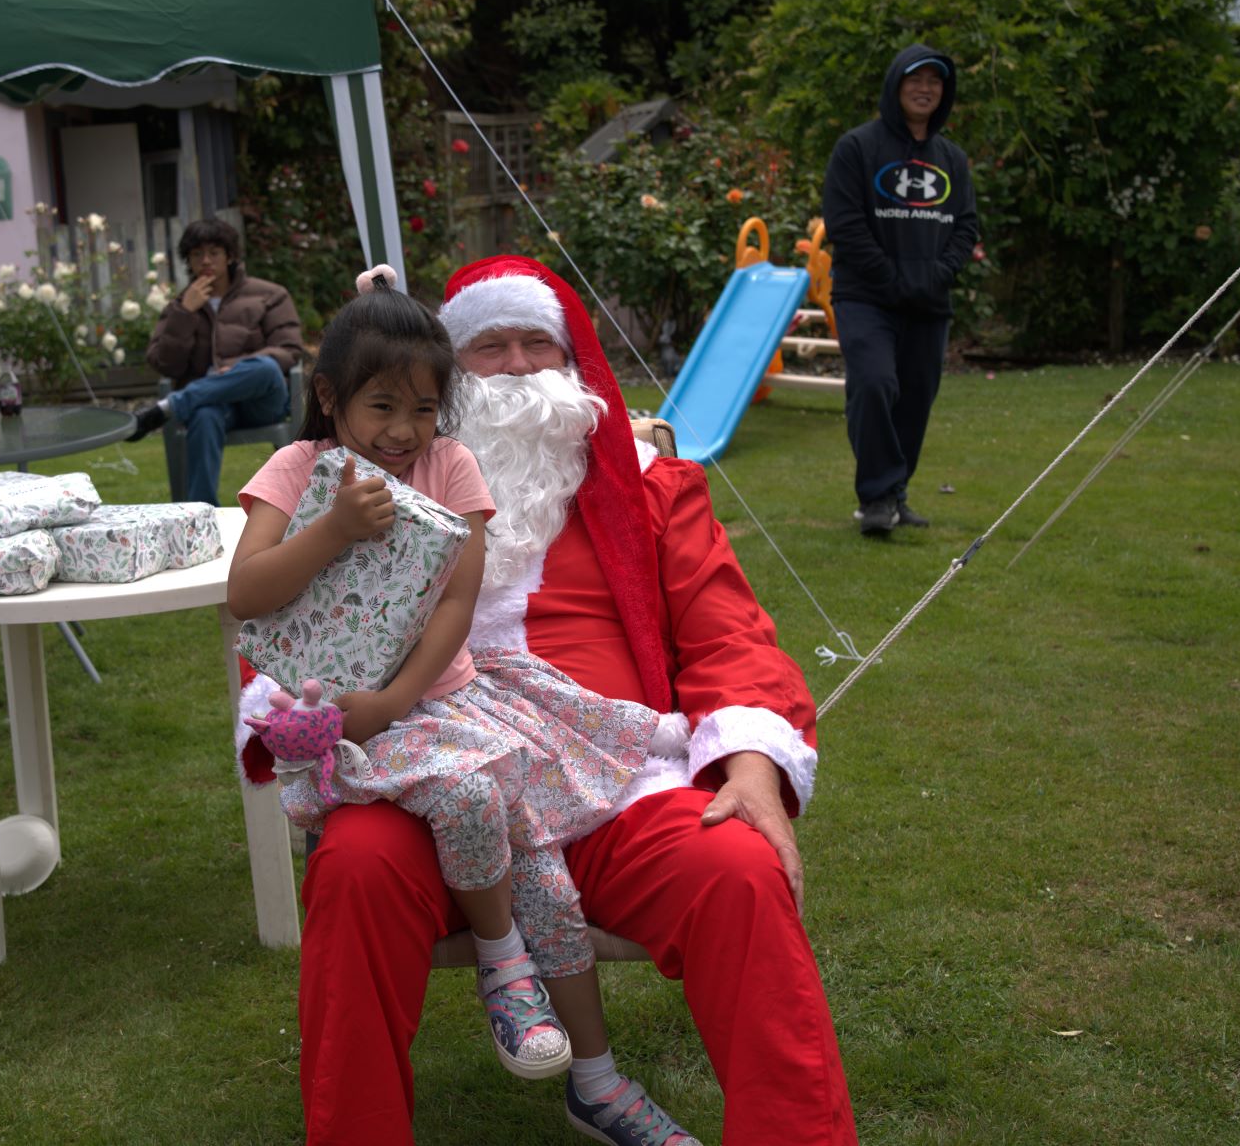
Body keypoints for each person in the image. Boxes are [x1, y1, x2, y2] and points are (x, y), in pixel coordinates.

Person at [268, 255, 856, 1145]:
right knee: (355, 870)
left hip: (615, 778)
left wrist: (751, 764)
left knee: (738, 870)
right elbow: (288, 623)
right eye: (489, 346)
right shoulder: (363, 488)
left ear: (573, 361)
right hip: (432, 775)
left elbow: (729, 634)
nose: (515, 365)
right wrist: (310, 713)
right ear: (448, 377)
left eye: (536, 343)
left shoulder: (652, 488)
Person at [229, 279, 702, 1141]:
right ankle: (502, 962)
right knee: (471, 795)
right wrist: (332, 528)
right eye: (381, 406)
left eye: (424, 407)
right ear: (329, 394)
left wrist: (396, 698)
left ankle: (596, 1080)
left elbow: (457, 599)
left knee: (542, 865)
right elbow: (246, 594)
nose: (403, 430)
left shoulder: (449, 465)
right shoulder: (296, 469)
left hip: (439, 699)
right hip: (343, 716)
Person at [822, 44, 980, 535]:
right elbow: (844, 224)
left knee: (914, 400)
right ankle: (876, 497)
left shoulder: (951, 159)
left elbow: (966, 226)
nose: (925, 89)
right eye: (915, 80)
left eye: (935, 81)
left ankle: (894, 494)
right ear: (895, 86)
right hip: (866, 297)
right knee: (874, 385)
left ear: (944, 92)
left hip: (928, 301)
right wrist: (890, 278)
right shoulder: (856, 148)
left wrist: (938, 274)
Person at [127, 218, 306, 505]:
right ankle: (202, 512)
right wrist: (184, 313)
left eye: (214, 252)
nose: (206, 261)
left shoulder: (269, 295)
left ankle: (169, 406)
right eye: (197, 254)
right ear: (188, 260)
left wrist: (239, 364)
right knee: (204, 414)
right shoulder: (180, 306)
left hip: (261, 402)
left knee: (266, 367)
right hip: (214, 405)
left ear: (230, 256)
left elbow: (289, 349)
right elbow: (164, 363)